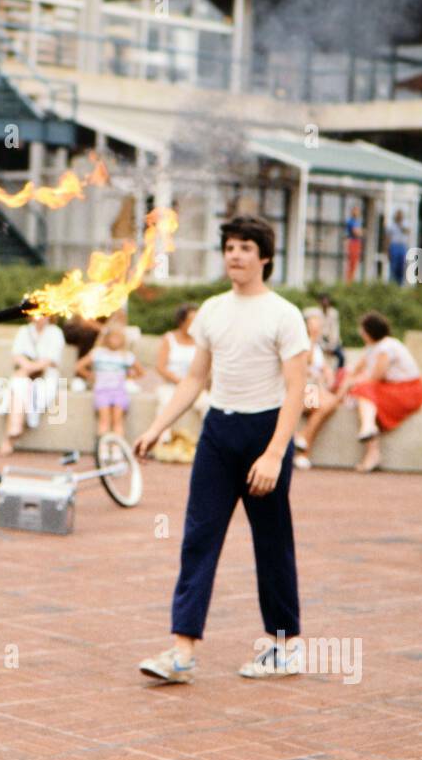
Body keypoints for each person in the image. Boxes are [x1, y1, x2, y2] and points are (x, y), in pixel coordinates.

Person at [133, 215, 310, 684]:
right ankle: (182, 652)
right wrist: (156, 427)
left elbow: (296, 391)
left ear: (265, 257)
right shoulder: (211, 310)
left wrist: (274, 453)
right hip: (218, 433)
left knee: (271, 543)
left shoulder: (284, 315)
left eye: (246, 247)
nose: (236, 254)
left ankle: (284, 646)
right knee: (198, 539)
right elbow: (195, 377)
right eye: (230, 246)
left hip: (264, 432)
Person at [339, 311, 422, 472]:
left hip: (407, 391)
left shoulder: (386, 347)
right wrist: (347, 381)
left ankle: (368, 428)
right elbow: (357, 369)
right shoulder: (372, 347)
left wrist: (350, 383)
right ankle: (371, 441)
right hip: (391, 388)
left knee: (362, 390)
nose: (360, 333)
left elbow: (374, 378)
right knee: (361, 392)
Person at [0, 314, 65, 456]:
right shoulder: (24, 330)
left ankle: (11, 435)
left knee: (24, 384)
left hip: (46, 377)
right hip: (25, 373)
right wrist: (27, 368)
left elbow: (50, 361)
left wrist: (29, 369)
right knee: (19, 384)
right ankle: (14, 428)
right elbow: (17, 355)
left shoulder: (55, 332)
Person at [77, 323, 142, 441]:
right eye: (113, 337)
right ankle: (102, 450)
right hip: (102, 391)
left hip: (119, 391)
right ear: (106, 338)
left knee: (118, 421)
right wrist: (91, 376)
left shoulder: (126, 355)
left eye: (118, 337)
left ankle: (118, 449)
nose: (115, 340)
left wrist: (128, 377)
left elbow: (140, 372)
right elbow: (79, 366)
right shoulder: (98, 353)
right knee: (104, 421)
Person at [291, 308, 339, 470]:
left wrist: (328, 373)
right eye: (313, 321)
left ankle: (302, 440)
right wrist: (312, 337)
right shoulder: (302, 342)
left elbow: (322, 366)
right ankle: (302, 448)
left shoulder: (316, 345)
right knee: (323, 404)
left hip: (314, 388)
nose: (317, 325)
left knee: (329, 403)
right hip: (302, 389)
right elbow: (307, 362)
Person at [154, 302, 209, 443]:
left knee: (208, 405)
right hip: (172, 385)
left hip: (196, 387)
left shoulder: (201, 340)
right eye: (192, 320)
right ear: (181, 321)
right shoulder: (169, 338)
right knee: (166, 403)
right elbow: (160, 367)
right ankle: (164, 443)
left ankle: (207, 442)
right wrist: (180, 381)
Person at [318, 293, 345, 371]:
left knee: (342, 356)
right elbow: (317, 333)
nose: (325, 303)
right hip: (320, 343)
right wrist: (324, 346)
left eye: (327, 301)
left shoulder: (334, 313)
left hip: (333, 343)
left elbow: (335, 331)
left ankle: (338, 374)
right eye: (323, 301)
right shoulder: (317, 313)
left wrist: (331, 346)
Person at [386, 209, 410, 286]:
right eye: (398, 215)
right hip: (394, 246)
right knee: (393, 266)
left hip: (402, 246)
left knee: (401, 267)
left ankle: (400, 285)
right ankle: (391, 285)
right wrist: (387, 250)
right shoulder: (391, 225)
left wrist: (400, 225)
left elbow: (407, 231)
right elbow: (388, 238)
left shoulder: (405, 224)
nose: (399, 217)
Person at [344, 204, 363, 284]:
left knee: (355, 264)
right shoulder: (351, 221)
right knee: (351, 264)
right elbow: (356, 232)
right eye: (356, 210)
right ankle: (349, 282)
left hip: (357, 243)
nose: (357, 212)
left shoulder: (357, 221)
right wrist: (361, 232)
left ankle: (351, 281)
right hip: (353, 242)